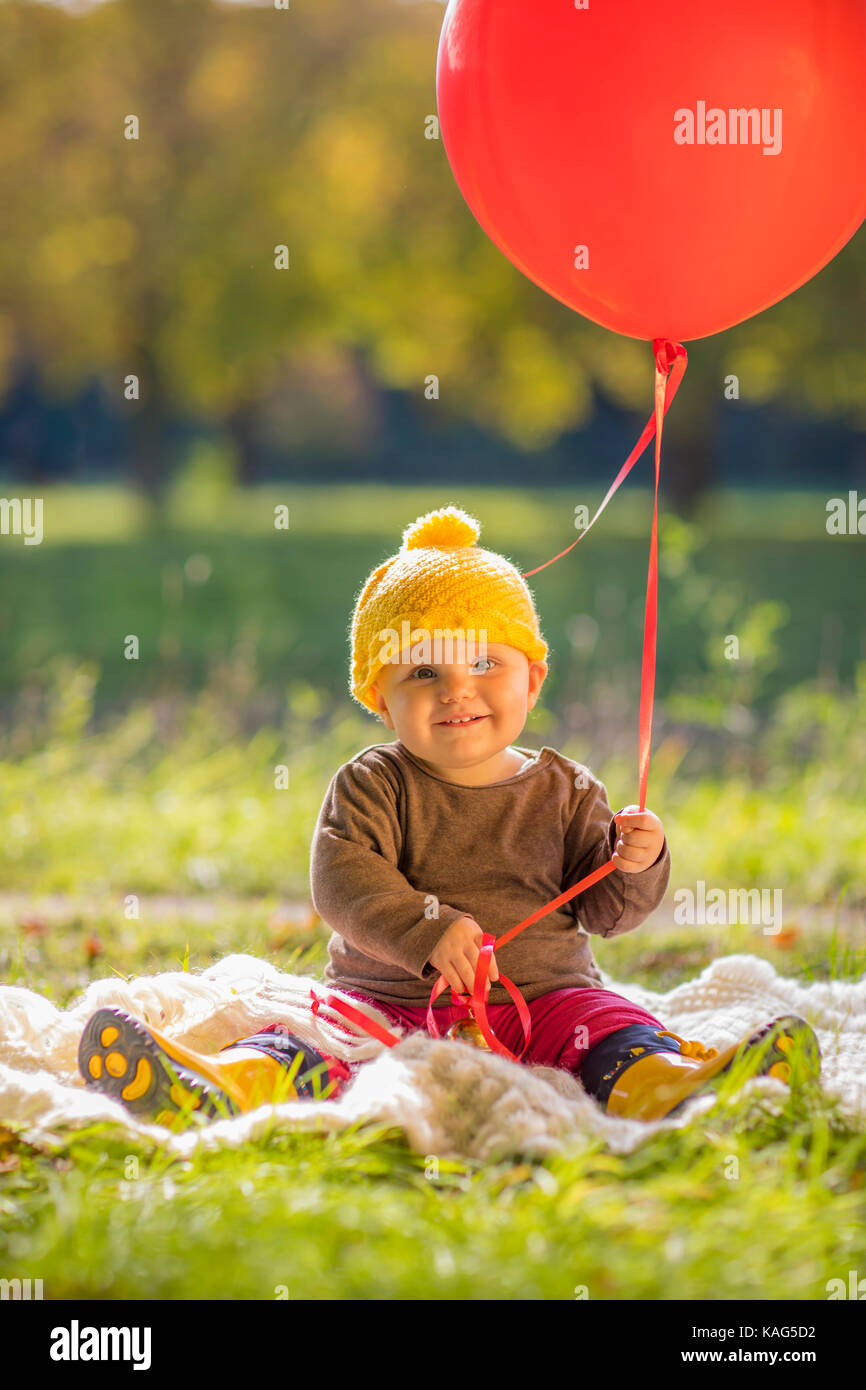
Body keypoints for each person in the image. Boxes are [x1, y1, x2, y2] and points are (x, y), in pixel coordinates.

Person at [78, 505, 820, 1127]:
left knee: (616, 1030)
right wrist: (427, 930)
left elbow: (608, 914)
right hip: (387, 1000)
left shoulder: (566, 790)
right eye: (424, 671)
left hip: (546, 997)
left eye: (485, 665)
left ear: (533, 679)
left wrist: (639, 862)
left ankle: (677, 1088)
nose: (457, 691)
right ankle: (218, 1084)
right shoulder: (374, 783)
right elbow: (343, 881)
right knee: (310, 1037)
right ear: (381, 695)